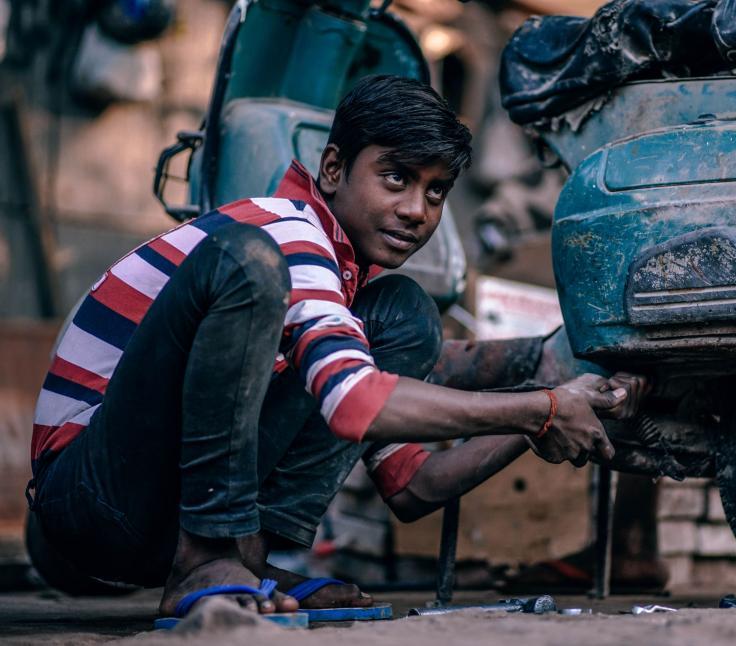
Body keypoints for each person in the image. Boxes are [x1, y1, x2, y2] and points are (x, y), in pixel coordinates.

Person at [26, 75, 648, 618]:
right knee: (247, 264)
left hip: (156, 520)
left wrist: (554, 409)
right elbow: (355, 403)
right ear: (332, 169)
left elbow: (416, 487)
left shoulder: (347, 289)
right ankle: (208, 559)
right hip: (90, 499)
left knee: (404, 313)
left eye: (435, 192)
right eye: (396, 177)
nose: (416, 211)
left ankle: (246, 558)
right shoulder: (286, 232)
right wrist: (539, 405)